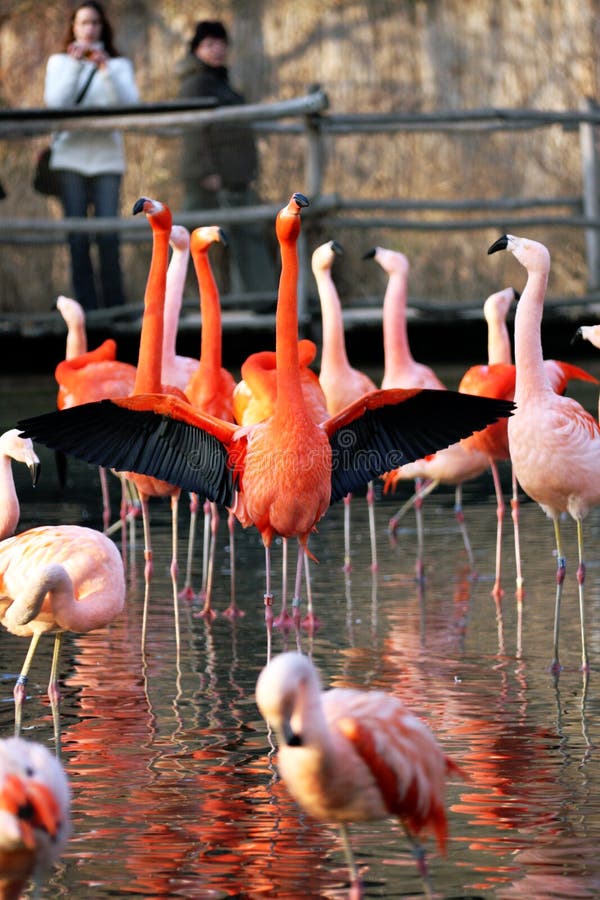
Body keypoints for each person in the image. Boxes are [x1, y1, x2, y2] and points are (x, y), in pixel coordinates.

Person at [44, 1, 139, 309]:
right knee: (77, 238)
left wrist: (105, 70)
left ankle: (115, 306)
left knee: (108, 236)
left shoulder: (118, 65)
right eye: (83, 23)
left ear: (103, 27)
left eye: (95, 23)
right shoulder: (59, 63)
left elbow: (128, 104)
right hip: (70, 158)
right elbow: (56, 103)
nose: (89, 29)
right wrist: (75, 66)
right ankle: (85, 307)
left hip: (107, 159)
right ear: (73, 27)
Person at [177, 19, 277, 296]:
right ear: (196, 49)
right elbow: (193, 131)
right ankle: (176, 302)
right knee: (185, 238)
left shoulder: (220, 82)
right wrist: (206, 170)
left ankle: (258, 298)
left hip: (232, 176)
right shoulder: (196, 84)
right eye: (209, 44)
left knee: (244, 235)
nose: (217, 50)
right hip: (210, 178)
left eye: (221, 44)